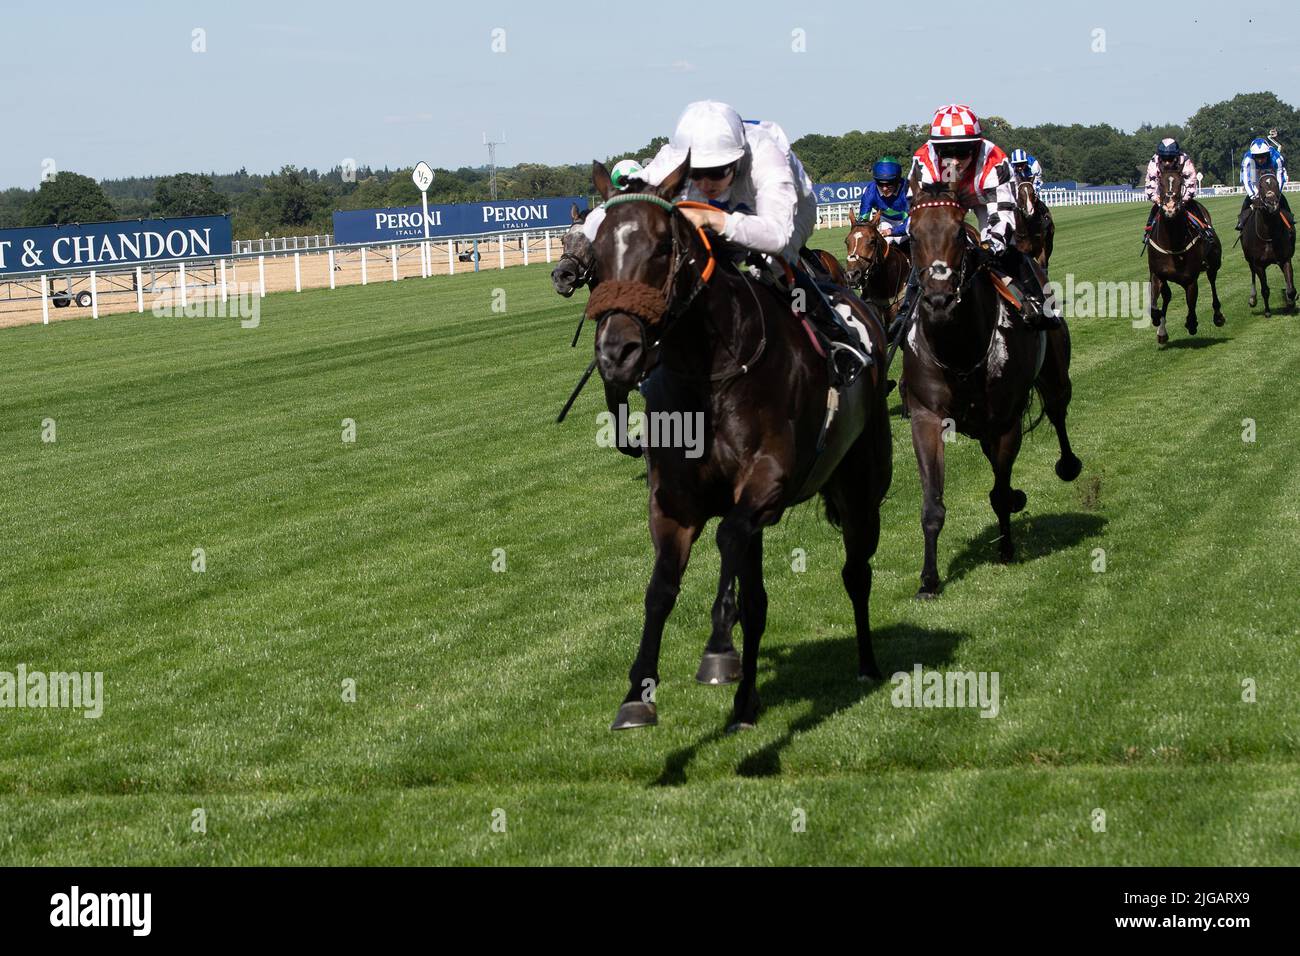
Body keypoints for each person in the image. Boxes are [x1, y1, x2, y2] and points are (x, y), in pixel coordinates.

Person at [584, 100, 868, 386]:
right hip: (725, 212)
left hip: (787, 212)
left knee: (773, 267)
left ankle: (837, 339)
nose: (706, 182)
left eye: (718, 171)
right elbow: (608, 213)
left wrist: (715, 220)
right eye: (697, 172)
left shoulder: (766, 156)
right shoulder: (673, 158)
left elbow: (776, 235)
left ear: (736, 160)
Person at [894, 104, 1060, 333]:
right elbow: (919, 211)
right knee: (931, 250)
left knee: (1007, 250)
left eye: (962, 150)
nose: (954, 159)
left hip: (985, 199)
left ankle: (1042, 303)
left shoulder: (995, 161)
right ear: (935, 149)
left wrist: (991, 248)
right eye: (946, 151)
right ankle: (904, 314)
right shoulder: (924, 161)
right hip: (947, 199)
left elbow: (1003, 215)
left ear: (976, 145)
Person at [1143, 138, 1216, 243]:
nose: (1167, 162)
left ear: (1176, 157)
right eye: (1164, 158)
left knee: (1195, 207)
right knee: (1154, 210)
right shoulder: (1154, 161)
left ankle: (1206, 230)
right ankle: (1148, 232)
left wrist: (1182, 200)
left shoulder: (1184, 160)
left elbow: (1191, 183)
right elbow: (1150, 184)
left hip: (1180, 195)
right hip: (1162, 195)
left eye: (1170, 158)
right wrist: (1157, 200)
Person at [1237, 136, 1293, 231]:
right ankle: (1241, 222)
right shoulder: (1247, 160)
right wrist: (1253, 196)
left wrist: (1277, 192)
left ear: (1268, 154)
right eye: (1257, 157)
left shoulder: (1276, 158)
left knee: (1282, 200)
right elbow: (1246, 180)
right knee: (1247, 202)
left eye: (1263, 156)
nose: (1260, 160)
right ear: (1252, 155)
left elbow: (1280, 177)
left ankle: (1290, 222)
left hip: (1271, 175)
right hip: (1254, 175)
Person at [856, 157, 910, 239]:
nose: (885, 188)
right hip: (885, 220)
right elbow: (863, 221)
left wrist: (892, 231)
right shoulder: (870, 191)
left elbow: (909, 223)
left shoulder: (907, 190)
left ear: (898, 180)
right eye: (880, 183)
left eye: (890, 183)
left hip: (905, 222)